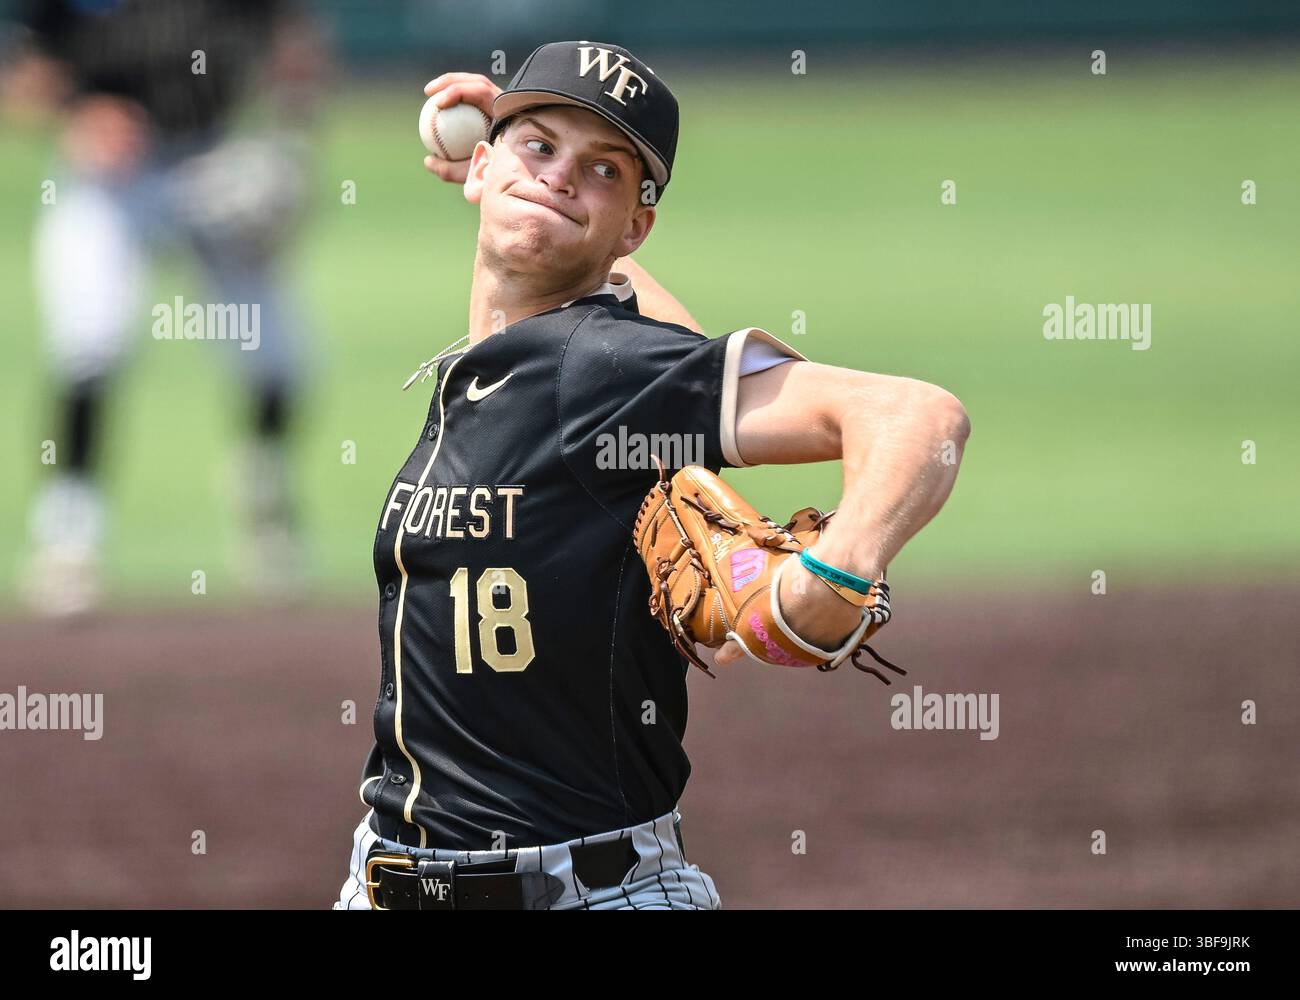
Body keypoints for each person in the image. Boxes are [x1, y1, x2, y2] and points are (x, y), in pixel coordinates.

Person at [334, 40, 969, 910]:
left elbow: (918, 419)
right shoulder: (518, 365)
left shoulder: (594, 367)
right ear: (478, 166)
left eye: (603, 171)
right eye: (540, 148)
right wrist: (536, 173)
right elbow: (603, 294)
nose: (561, 177)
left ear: (636, 225)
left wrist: (836, 570)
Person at [5, 0, 326, 614]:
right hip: (108, 183)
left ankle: (266, 506)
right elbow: (25, 75)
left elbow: (296, 48)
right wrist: (80, 113)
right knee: (92, 343)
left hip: (215, 161)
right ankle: (69, 540)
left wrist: (288, 140)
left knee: (278, 357)